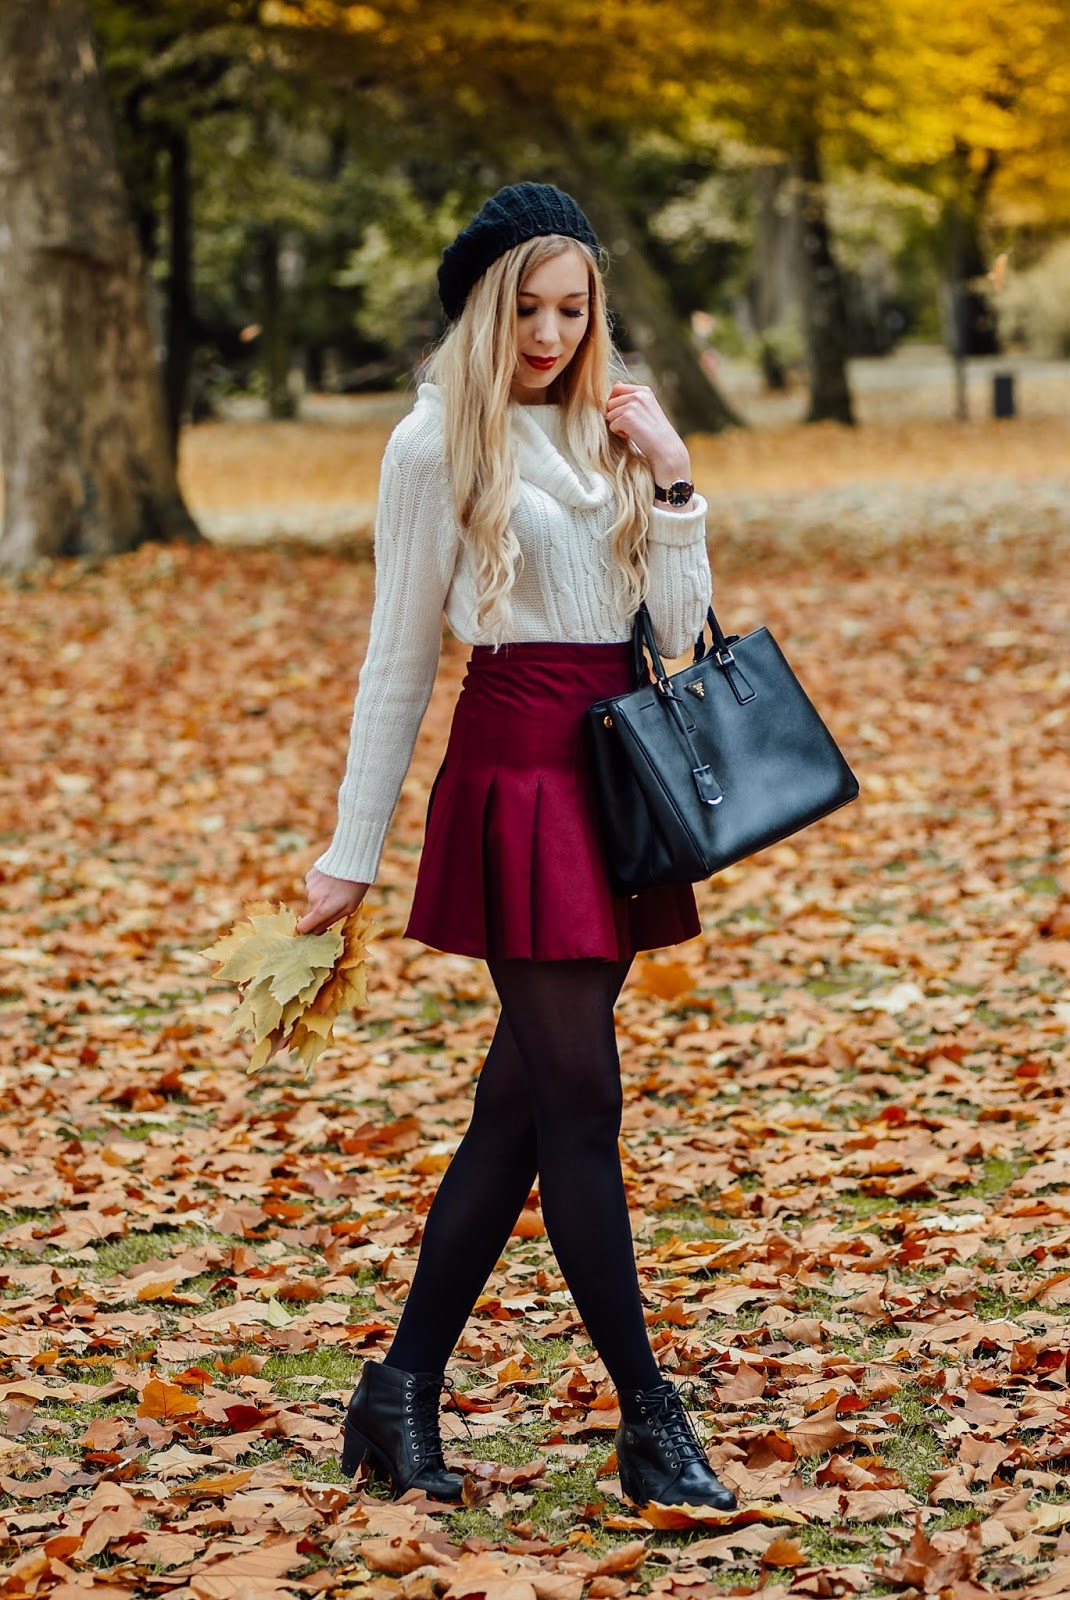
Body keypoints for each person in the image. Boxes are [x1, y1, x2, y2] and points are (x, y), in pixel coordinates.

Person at [297, 182, 735, 1513]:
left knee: (522, 1110)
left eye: (572, 307)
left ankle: (399, 1390)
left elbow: (676, 620)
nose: (550, 333)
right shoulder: (434, 443)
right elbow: (395, 655)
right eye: (528, 307)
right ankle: (648, 1415)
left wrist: (670, 474)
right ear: (487, 305)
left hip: (614, 772)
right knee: (580, 1102)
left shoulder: (608, 421)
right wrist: (349, 852)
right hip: (516, 772)